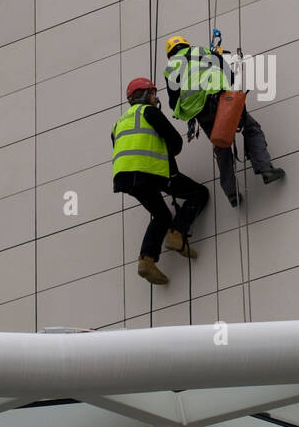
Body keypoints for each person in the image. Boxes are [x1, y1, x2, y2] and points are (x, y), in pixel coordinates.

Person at [164, 35, 284, 208]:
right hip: (218, 99)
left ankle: (231, 193)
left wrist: (188, 114)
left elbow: (173, 102)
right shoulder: (200, 50)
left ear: (170, 54)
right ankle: (265, 169)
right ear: (185, 44)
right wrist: (230, 89)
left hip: (201, 114)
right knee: (250, 128)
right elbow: (225, 69)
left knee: (221, 144)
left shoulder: (170, 70)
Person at [111, 77, 209, 285]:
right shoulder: (150, 112)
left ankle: (146, 261)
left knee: (161, 214)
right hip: (151, 171)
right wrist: (170, 162)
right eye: (154, 93)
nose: (156, 98)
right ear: (147, 95)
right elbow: (175, 140)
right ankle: (177, 233)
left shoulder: (118, 123)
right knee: (199, 193)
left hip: (125, 178)